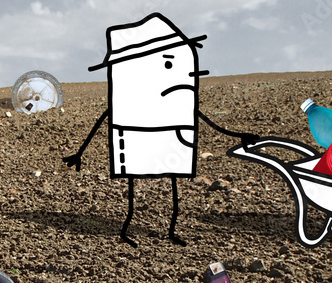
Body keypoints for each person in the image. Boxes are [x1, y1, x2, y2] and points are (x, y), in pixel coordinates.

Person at [64, 12, 257, 246]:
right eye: (167, 63)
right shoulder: (127, 104)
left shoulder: (180, 104)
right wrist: (80, 152)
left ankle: (171, 229)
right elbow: (105, 118)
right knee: (135, 190)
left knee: (171, 188)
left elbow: (204, 119)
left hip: (170, 138)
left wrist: (238, 135)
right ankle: (128, 228)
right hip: (136, 137)